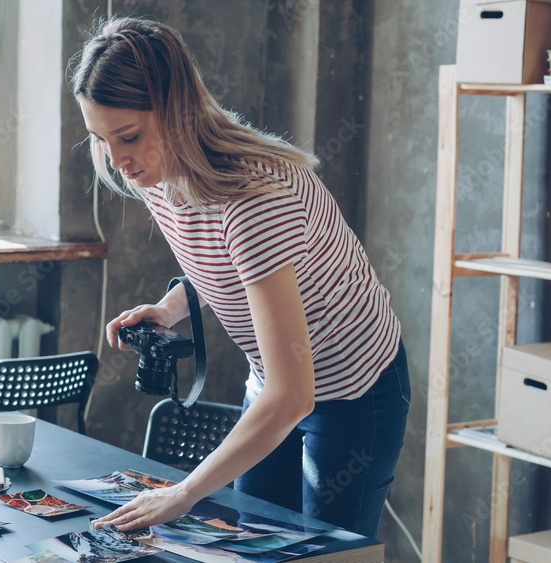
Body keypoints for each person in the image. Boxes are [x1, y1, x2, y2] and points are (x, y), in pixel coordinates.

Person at [74, 16, 410, 539]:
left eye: (129, 137)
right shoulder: (155, 172)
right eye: (100, 139)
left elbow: (293, 396)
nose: (117, 161)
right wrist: (171, 307)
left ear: (176, 111)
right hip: (275, 381)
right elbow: (220, 262)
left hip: (352, 388)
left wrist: (184, 492)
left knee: (324, 552)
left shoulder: (255, 200)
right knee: (254, 540)